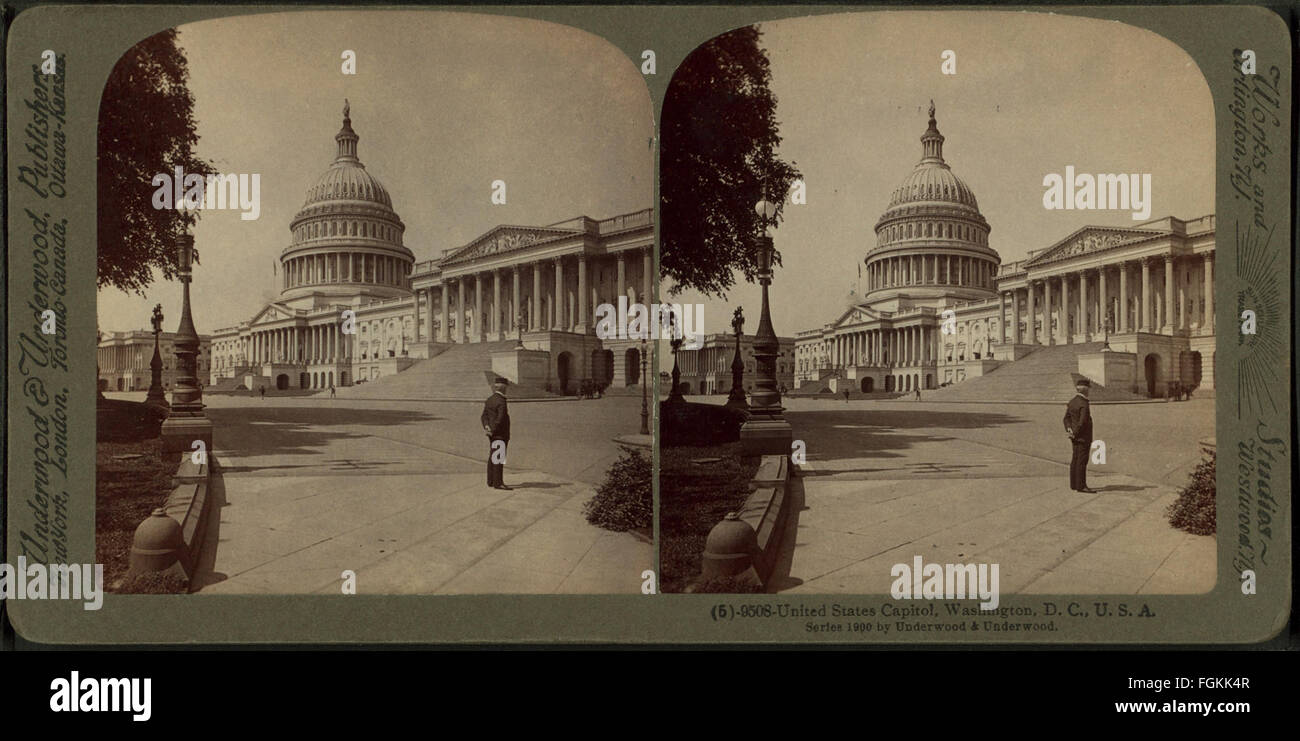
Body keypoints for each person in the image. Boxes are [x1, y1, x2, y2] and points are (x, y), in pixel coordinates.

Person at [1063, 378, 1096, 493]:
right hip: (1083, 437)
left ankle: (1074, 484)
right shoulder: (1084, 404)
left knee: (1075, 459)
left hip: (1074, 436)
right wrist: (1076, 433)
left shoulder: (1072, 401)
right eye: (1088, 390)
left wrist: (1070, 431)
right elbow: (1083, 422)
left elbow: (1066, 418)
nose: (1089, 392)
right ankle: (1081, 486)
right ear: (1085, 390)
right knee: (1082, 461)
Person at [481, 378, 511, 490]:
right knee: (499, 458)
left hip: (492, 433)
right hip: (500, 433)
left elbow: (484, 416)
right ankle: (498, 483)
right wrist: (493, 429)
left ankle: (491, 480)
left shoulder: (490, 399)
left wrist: (487, 427)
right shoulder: (501, 401)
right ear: (503, 388)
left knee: (493, 456)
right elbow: (500, 419)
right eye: (506, 387)